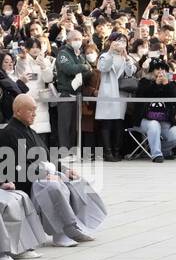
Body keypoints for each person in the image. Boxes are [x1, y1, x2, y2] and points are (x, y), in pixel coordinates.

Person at [0, 95, 106, 246]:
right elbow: (14, 167)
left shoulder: (32, 132)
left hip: (42, 176)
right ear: (18, 111)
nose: (34, 114)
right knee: (51, 186)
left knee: (77, 181)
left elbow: (48, 157)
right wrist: (44, 175)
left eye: (35, 110)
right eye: (30, 110)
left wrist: (65, 170)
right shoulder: (7, 135)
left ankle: (79, 225)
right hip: (26, 184)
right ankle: (62, 232)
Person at [94, 34, 135, 162]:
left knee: (118, 123)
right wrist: (111, 52)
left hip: (120, 94)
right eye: (118, 40)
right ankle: (107, 152)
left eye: (124, 41)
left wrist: (127, 57)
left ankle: (117, 151)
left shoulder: (125, 58)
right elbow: (102, 67)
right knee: (107, 122)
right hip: (108, 93)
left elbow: (130, 72)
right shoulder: (105, 55)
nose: (121, 43)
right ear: (111, 42)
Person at [134, 59, 176, 162]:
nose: (160, 71)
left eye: (163, 69)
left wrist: (167, 84)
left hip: (164, 118)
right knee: (154, 124)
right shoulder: (144, 82)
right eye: (157, 69)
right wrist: (156, 83)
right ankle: (156, 155)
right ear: (152, 71)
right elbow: (143, 95)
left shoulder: (169, 83)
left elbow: (174, 99)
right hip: (145, 119)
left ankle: (164, 151)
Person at [52, 30, 93, 153]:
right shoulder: (63, 54)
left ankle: (73, 152)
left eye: (80, 39)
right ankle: (64, 153)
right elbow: (69, 69)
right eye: (75, 39)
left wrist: (85, 68)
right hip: (65, 94)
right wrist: (84, 67)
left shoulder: (78, 55)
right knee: (65, 126)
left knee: (74, 127)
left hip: (77, 94)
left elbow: (88, 71)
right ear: (68, 40)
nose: (78, 41)